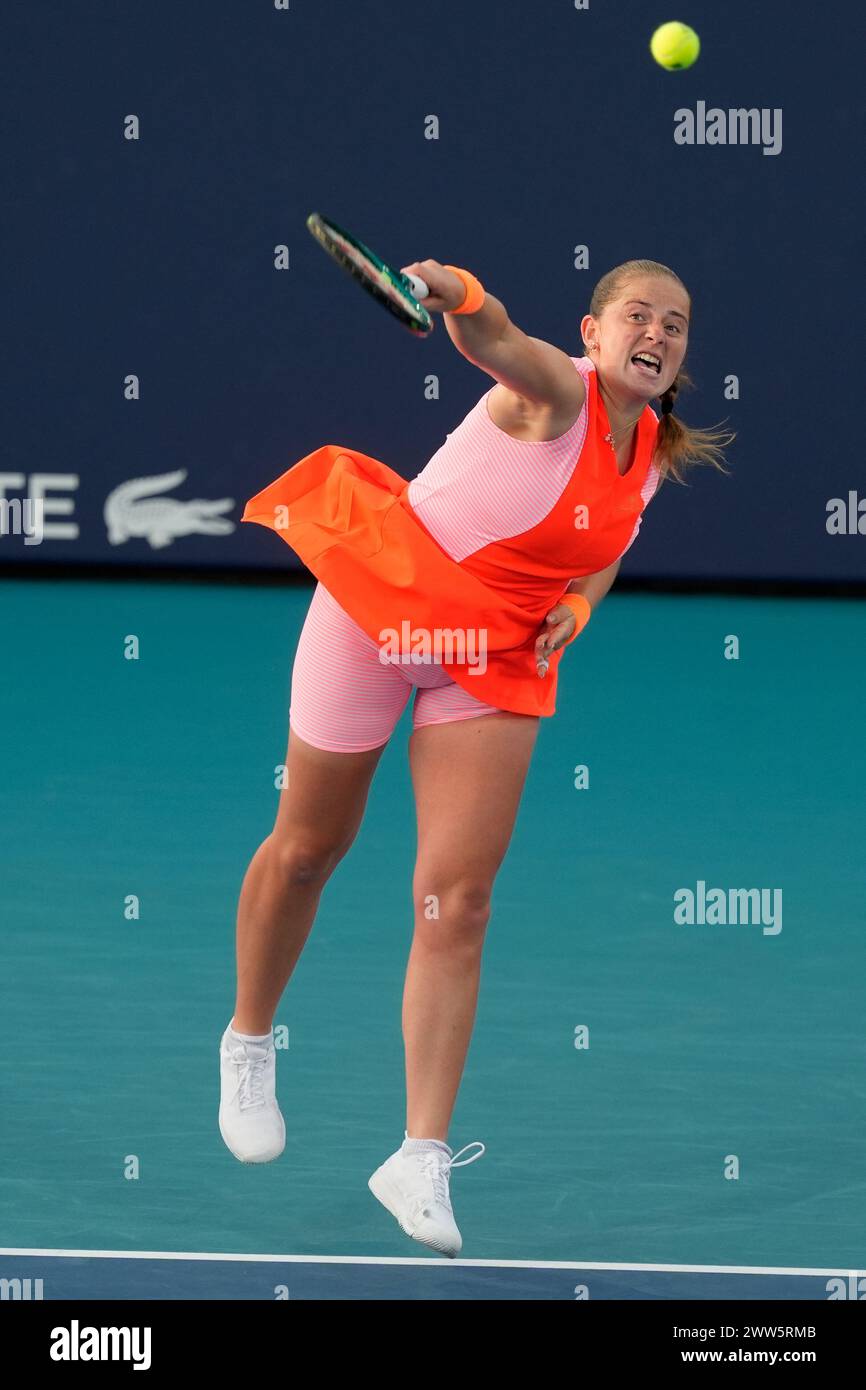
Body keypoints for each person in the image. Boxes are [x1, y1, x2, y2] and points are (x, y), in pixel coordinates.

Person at [219, 257, 734, 1258]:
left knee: (456, 899)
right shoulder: (551, 390)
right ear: (590, 333)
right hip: (381, 609)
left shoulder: (649, 449)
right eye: (638, 315)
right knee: (308, 849)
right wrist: (453, 289)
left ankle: (416, 1154)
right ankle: (247, 1040)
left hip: (488, 654)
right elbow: (490, 333)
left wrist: (579, 602)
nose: (659, 334)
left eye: (675, 324)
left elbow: (605, 538)